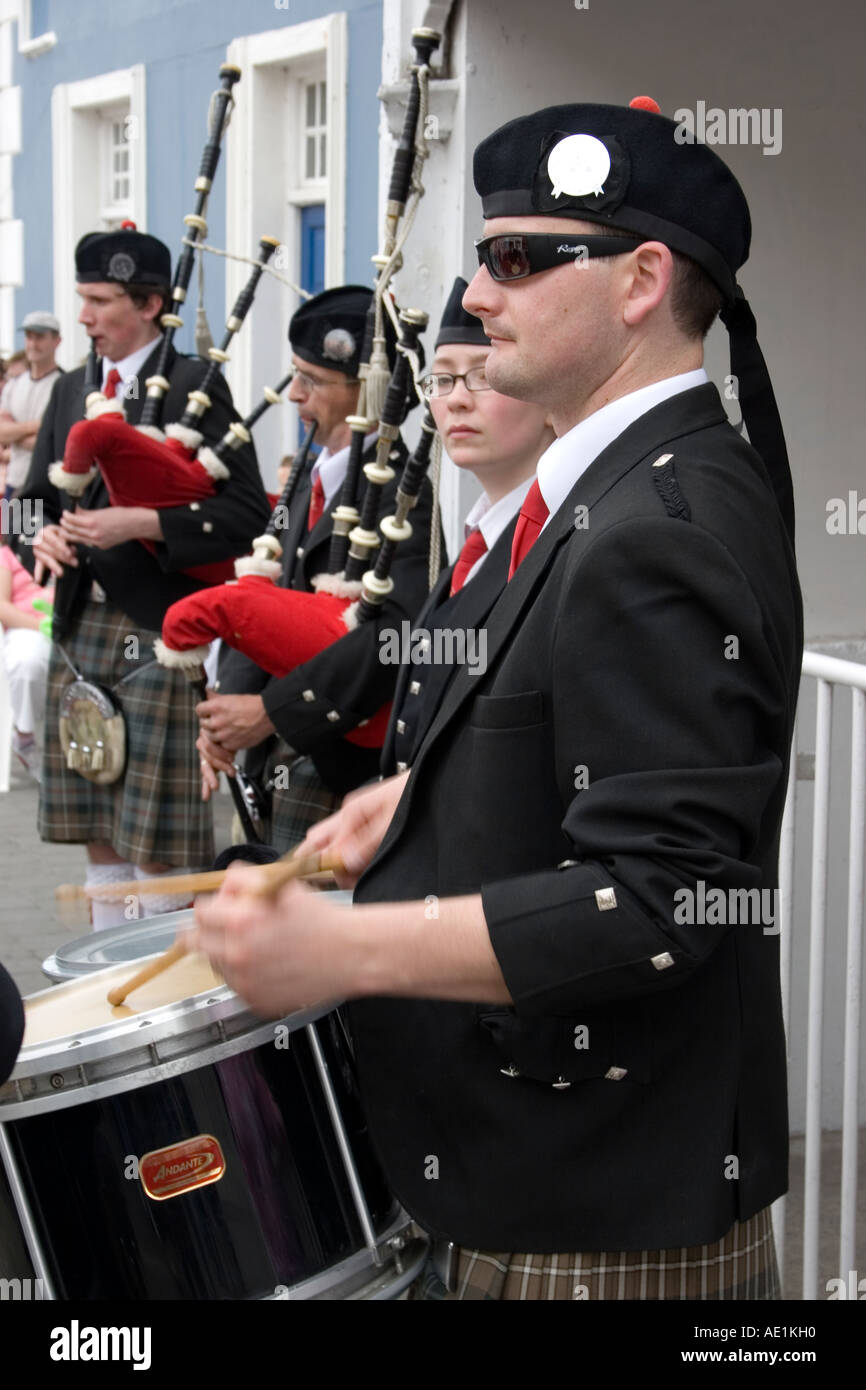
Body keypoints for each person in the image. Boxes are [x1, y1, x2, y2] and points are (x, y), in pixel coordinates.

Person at [192, 99, 802, 1301]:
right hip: (533, 1176)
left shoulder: (655, 525)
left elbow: (664, 899)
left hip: (592, 1220)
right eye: (485, 256)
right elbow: (578, 728)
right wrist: (420, 797)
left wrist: (342, 949)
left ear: (639, 282)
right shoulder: (609, 490)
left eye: (517, 258)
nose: (476, 291)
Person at [17, 227, 270, 927]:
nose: (85, 317)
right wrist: (34, 529)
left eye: (100, 301)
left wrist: (140, 524)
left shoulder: (198, 387)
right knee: (98, 830)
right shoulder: (73, 388)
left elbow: (247, 514)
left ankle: (170, 997)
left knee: (155, 844)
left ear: (151, 302)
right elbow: (32, 496)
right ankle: (108, 988)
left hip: (162, 630)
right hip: (80, 625)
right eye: (83, 300)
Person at [197, 284, 440, 852]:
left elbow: (397, 639)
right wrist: (226, 717)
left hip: (333, 756)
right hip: (276, 750)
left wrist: (270, 712)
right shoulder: (310, 480)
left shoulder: (403, 500)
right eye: (295, 376)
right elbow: (259, 598)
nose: (296, 395)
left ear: (370, 391)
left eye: (314, 381)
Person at [382, 276, 554, 776]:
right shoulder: (479, 544)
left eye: (483, 375)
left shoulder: (553, 541)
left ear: (548, 400)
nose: (455, 400)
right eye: (440, 379)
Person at [0, 313, 62, 512]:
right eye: (29, 337)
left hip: (47, 487)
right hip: (16, 481)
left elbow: (57, 440)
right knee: (13, 540)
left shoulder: (62, 385)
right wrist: (36, 426)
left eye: (40, 337)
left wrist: (16, 434)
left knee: (38, 541)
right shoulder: (14, 385)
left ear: (56, 341)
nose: (33, 344)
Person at [0, 542, 52, 779]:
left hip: (71, 625)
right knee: (27, 662)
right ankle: (25, 737)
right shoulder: (6, 554)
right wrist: (42, 626)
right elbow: (2, 606)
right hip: (28, 627)